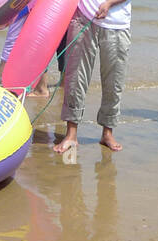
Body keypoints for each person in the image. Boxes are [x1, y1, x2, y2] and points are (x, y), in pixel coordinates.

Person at [53, 0, 133, 153]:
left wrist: (109, 3)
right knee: (75, 77)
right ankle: (71, 134)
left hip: (117, 24)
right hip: (83, 18)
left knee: (114, 81)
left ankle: (107, 133)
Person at [0, 4, 52, 97]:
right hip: (39, 5)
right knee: (38, 43)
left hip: (25, 6)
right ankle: (41, 88)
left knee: (16, 39)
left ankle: (0, 77)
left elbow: (11, 42)